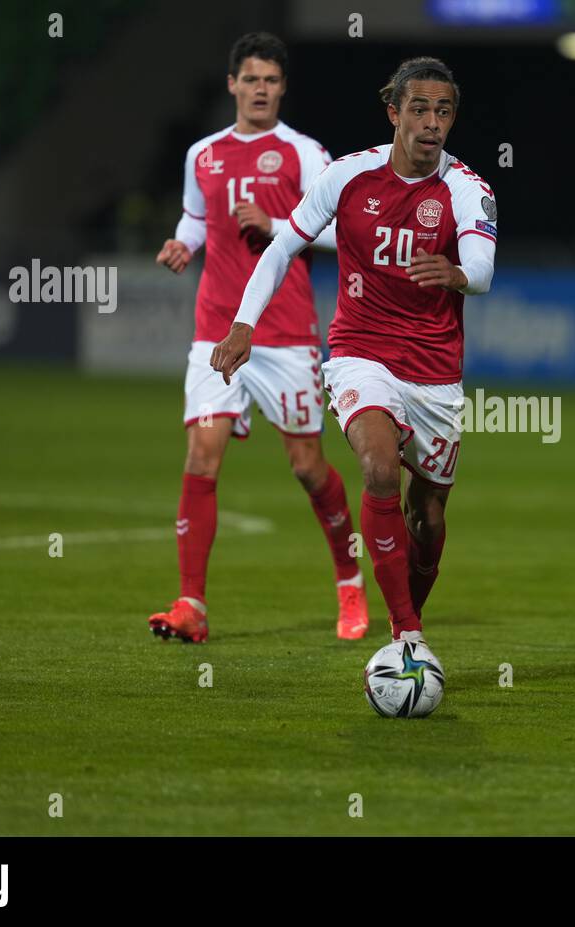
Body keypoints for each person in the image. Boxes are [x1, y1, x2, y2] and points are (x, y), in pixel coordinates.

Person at [210, 57, 497, 656]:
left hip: (436, 374)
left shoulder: (467, 188)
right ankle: (405, 633)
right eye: (419, 109)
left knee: (430, 517)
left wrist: (459, 273)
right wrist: (243, 325)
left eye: (444, 111)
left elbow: (485, 269)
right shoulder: (348, 177)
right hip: (359, 352)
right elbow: (284, 244)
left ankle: (408, 612)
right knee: (378, 467)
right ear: (394, 113)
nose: (432, 123)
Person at [150, 32, 367, 643]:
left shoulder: (303, 153)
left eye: (271, 80)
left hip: (284, 331)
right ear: (232, 85)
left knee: (306, 466)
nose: (261, 90)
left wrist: (277, 225)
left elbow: (343, 230)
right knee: (201, 455)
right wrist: (182, 243)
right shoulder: (204, 155)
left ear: (283, 87)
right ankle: (191, 604)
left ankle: (349, 580)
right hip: (217, 327)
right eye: (251, 79)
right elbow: (196, 218)